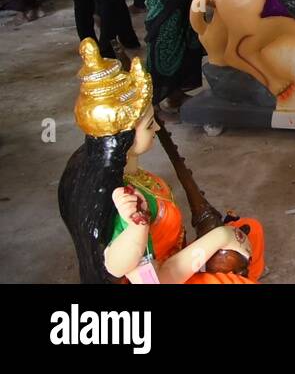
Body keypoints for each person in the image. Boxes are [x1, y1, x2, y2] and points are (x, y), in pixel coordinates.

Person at [59, 38, 265, 284]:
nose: (156, 127)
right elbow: (151, 278)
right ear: (124, 139)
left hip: (173, 257)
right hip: (163, 276)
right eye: (148, 125)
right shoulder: (125, 204)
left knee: (251, 230)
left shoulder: (126, 175)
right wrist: (218, 238)